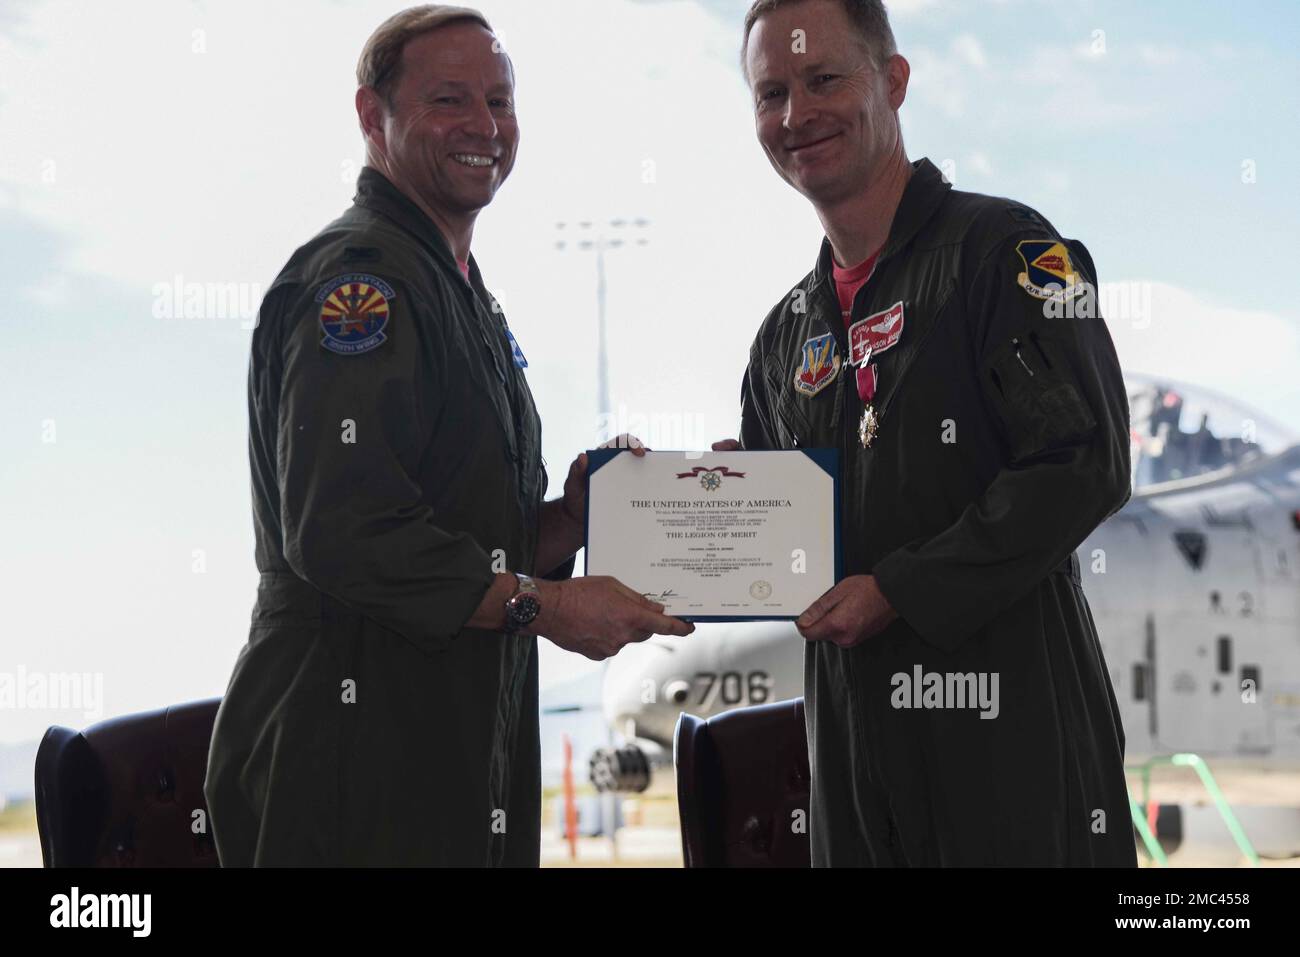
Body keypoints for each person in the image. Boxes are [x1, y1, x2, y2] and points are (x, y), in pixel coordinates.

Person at [204, 4, 692, 867]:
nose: (485, 126)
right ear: (372, 117)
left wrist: (571, 521)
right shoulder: (361, 284)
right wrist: (550, 605)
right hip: (352, 755)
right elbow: (345, 529)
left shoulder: (460, 292)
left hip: (456, 744)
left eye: (500, 102)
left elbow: (470, 540)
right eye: (449, 100)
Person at [720, 0, 1137, 866]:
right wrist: (727, 505)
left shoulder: (1011, 252)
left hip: (1008, 732)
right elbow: (785, 556)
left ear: (895, 80)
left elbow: (1085, 459)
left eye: (824, 79)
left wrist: (901, 588)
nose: (797, 115)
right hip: (848, 755)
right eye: (772, 93)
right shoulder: (783, 337)